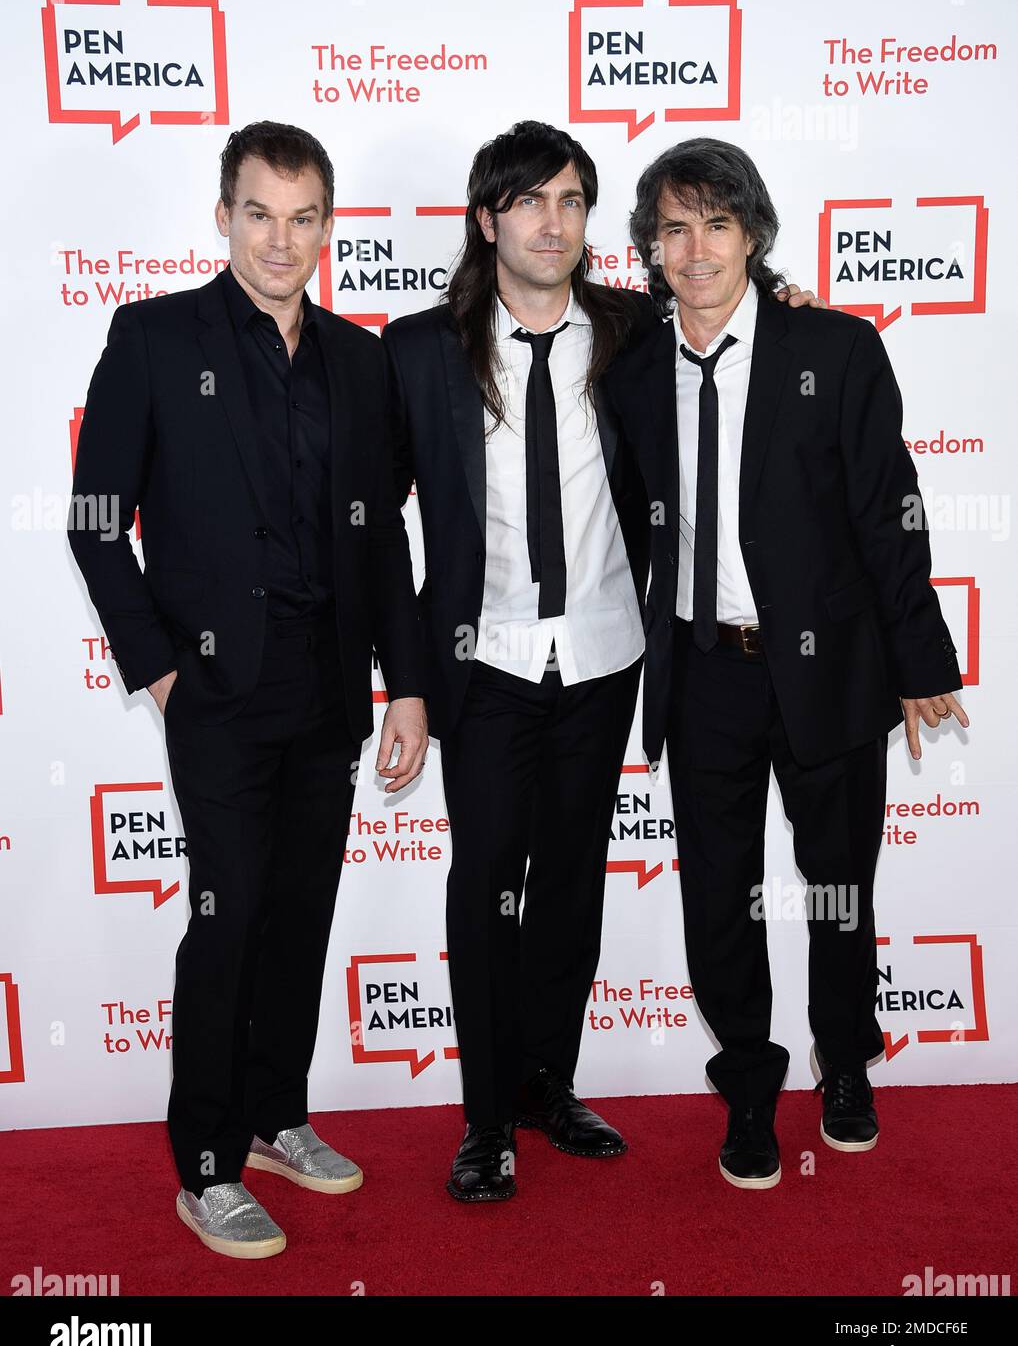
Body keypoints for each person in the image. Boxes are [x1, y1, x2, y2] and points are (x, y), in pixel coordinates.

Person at [383, 121, 819, 1202]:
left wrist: (798, 318)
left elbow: (744, 333)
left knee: (572, 887)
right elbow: (371, 528)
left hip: (605, 654)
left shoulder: (635, 328)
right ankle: (485, 1119)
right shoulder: (414, 350)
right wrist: (407, 679)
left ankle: (546, 1084)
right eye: (528, 201)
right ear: (487, 220)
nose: (552, 222)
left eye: (571, 200)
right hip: (480, 661)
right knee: (486, 886)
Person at [68, 121, 428, 1256]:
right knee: (225, 922)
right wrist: (162, 671)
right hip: (216, 692)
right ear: (223, 215)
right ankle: (207, 1162)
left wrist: (405, 686)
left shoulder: (359, 361)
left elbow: (381, 544)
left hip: (328, 691)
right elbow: (93, 522)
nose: (283, 238)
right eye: (260, 212)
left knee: (298, 917)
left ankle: (276, 1114)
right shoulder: (155, 337)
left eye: (305, 215)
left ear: (329, 224)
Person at [606, 137, 969, 1190]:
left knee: (837, 887)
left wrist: (915, 659)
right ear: (652, 247)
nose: (697, 247)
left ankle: (845, 1063)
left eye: (717, 222)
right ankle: (751, 1088)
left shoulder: (837, 348)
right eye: (674, 227)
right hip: (702, 669)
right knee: (718, 895)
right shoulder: (632, 368)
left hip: (831, 671)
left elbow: (887, 516)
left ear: (755, 233)